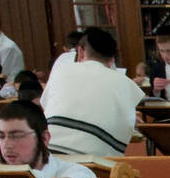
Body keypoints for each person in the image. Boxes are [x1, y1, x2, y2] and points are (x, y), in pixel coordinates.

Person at [41, 28, 143, 158]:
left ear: (80, 51)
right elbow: (127, 127)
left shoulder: (61, 71)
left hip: (49, 155)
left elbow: (45, 109)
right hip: (95, 161)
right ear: (112, 59)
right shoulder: (124, 83)